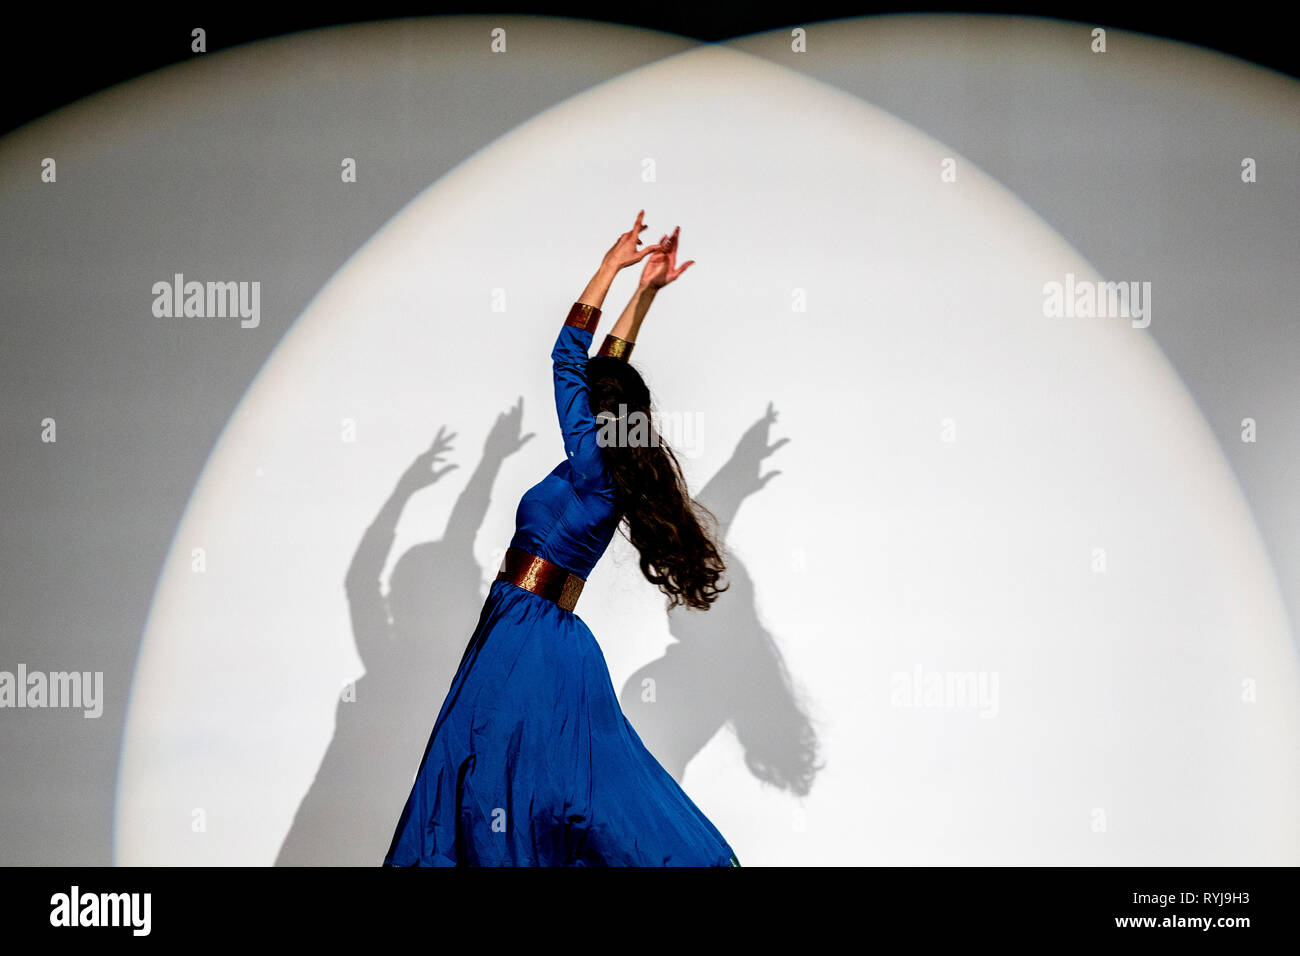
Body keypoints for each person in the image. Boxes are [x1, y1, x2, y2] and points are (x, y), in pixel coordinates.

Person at [383, 211, 741, 866]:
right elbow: (603, 369)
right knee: (503, 780)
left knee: (484, 774)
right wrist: (646, 294)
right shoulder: (607, 464)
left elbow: (568, 357)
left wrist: (611, 266)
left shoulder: (590, 464)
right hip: (540, 636)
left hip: (522, 638)